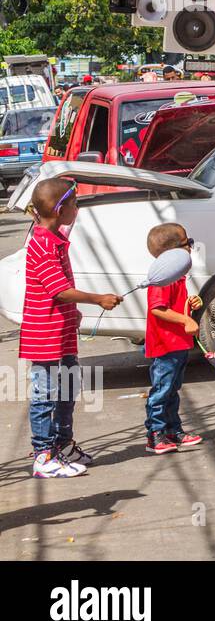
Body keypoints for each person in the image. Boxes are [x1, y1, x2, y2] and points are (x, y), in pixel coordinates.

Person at [21, 178, 122, 477]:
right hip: (44, 336)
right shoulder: (41, 244)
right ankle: (43, 455)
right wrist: (97, 299)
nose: (77, 209)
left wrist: (74, 311)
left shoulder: (55, 240)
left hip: (61, 331)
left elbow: (59, 291)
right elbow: (58, 290)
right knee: (46, 394)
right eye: (74, 204)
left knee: (67, 388)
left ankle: (63, 445)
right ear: (60, 209)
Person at [144, 223, 204, 454]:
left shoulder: (177, 276)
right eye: (187, 243)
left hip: (178, 343)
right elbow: (157, 308)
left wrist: (190, 305)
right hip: (165, 344)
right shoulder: (162, 278)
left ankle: (173, 430)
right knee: (161, 390)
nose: (190, 247)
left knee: (172, 390)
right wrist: (186, 321)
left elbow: (173, 305)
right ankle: (155, 434)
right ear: (174, 252)